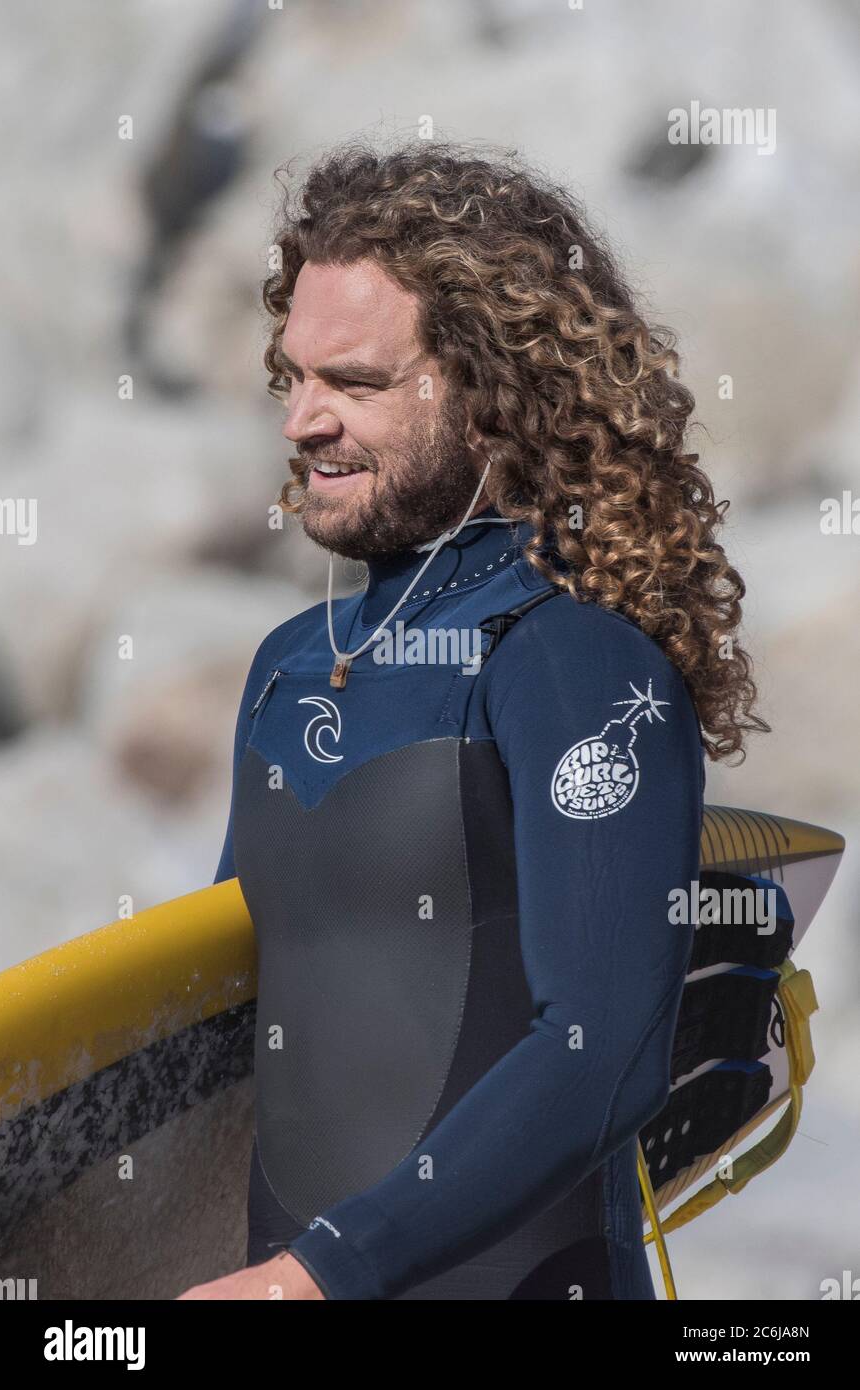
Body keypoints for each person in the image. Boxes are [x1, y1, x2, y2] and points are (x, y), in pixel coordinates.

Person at [177, 141, 768, 1302]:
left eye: (353, 382)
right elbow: (211, 1034)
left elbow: (600, 1052)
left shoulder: (571, 660)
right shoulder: (288, 668)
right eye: (291, 377)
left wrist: (315, 1277)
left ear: (493, 393)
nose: (302, 423)